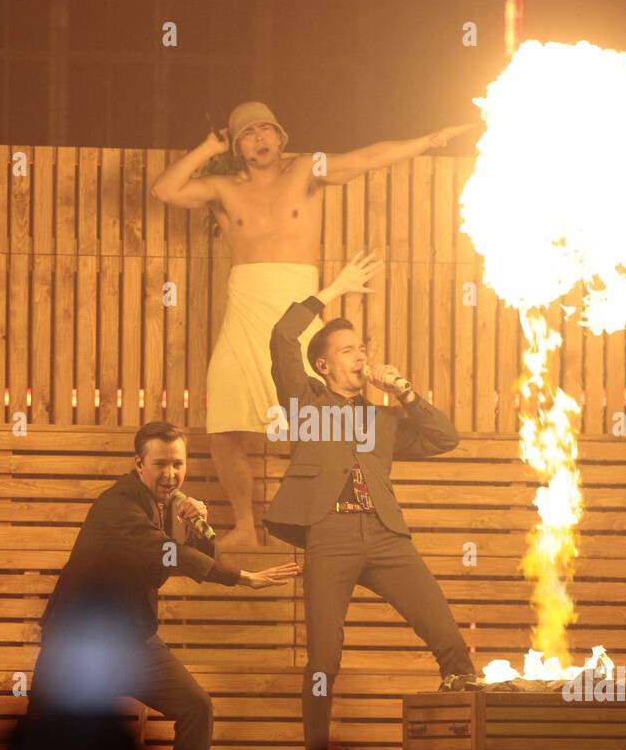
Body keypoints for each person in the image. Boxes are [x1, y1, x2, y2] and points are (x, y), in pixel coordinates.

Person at [151, 100, 478, 548]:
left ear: (280, 136)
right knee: (224, 424)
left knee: (317, 423)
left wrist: (429, 139)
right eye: (248, 134)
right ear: (237, 145)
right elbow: (165, 190)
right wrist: (209, 146)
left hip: (298, 306)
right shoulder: (223, 188)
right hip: (244, 306)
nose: (260, 139)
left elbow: (365, 158)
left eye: (266, 130)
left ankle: (308, 522)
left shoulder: (306, 169)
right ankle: (245, 527)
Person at [262, 252, 476, 750]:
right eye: (348, 350)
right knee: (324, 660)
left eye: (363, 348)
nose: (360, 356)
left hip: (384, 534)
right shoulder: (305, 403)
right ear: (323, 366)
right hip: (329, 533)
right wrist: (333, 289)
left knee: (448, 638)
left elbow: (444, 438)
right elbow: (282, 337)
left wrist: (404, 392)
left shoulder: (385, 419)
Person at [29, 421, 300, 750]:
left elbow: (178, 559)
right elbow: (166, 553)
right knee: (43, 737)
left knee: (195, 706)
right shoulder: (117, 506)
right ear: (139, 464)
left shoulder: (165, 506)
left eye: (178, 464)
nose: (171, 474)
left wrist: (196, 527)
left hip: (133, 638)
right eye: (160, 464)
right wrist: (242, 577)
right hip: (78, 642)